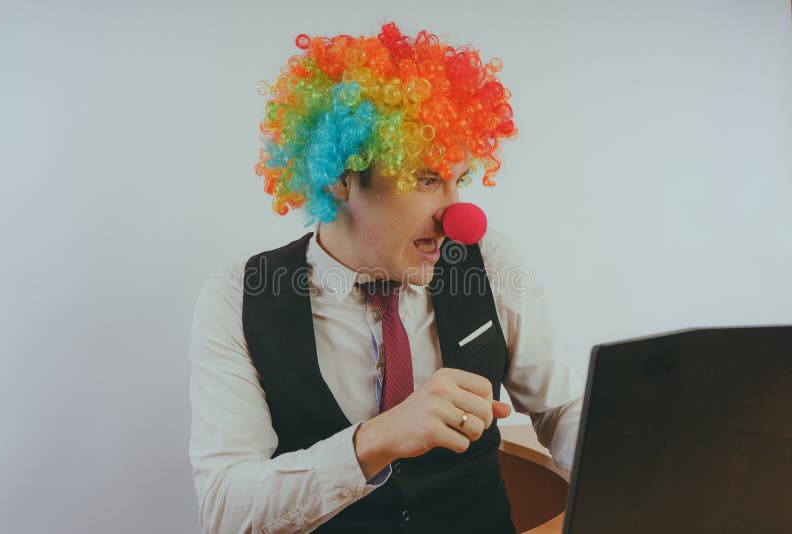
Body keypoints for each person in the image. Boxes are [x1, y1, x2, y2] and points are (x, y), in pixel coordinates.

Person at [187, 22, 584, 533]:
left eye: (458, 180)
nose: (458, 217)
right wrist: (376, 440)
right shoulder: (235, 299)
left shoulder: (491, 262)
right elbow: (224, 510)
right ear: (342, 176)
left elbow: (562, 408)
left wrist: (635, 464)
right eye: (426, 179)